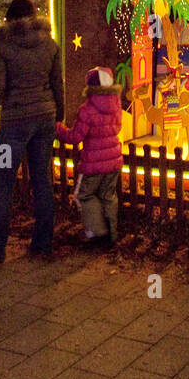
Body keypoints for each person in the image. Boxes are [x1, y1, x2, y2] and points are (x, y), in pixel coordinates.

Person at [0, 0, 64, 264]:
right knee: (42, 180)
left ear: (10, 19)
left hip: (14, 124)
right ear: (33, 17)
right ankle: (42, 244)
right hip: (44, 121)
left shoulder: (3, 47)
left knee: (3, 183)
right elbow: (57, 83)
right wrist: (59, 113)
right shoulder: (50, 44)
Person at [56, 66, 123, 249]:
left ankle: (96, 231)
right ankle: (112, 233)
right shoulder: (116, 104)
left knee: (84, 195)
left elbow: (75, 137)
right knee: (108, 196)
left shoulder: (87, 110)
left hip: (93, 164)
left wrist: (58, 129)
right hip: (114, 161)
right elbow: (118, 128)